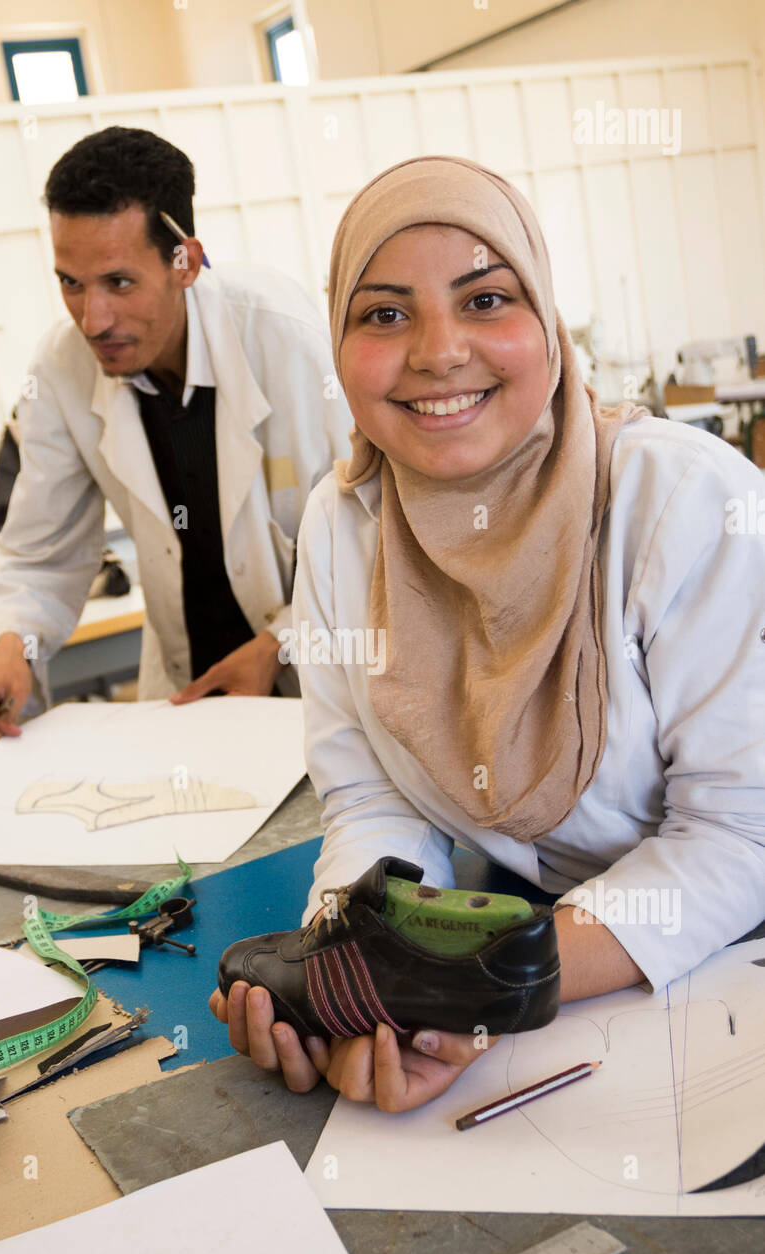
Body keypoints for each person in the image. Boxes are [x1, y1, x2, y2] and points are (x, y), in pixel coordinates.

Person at [209, 155, 765, 1112]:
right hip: (552, 954)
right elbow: (375, 804)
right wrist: (361, 985)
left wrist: (480, 988)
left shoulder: (684, 502)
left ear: (545, 324)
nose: (437, 352)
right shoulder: (344, 531)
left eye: (485, 300)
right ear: (338, 348)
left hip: (722, 959)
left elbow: (740, 834)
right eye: (384, 314)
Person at [0, 127, 352, 739]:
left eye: (119, 282)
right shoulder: (61, 369)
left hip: (323, 679)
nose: (93, 319)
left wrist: (282, 643)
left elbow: (373, 536)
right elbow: (42, 551)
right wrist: (13, 642)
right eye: (70, 282)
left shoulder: (285, 340)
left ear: (184, 263)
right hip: (188, 690)